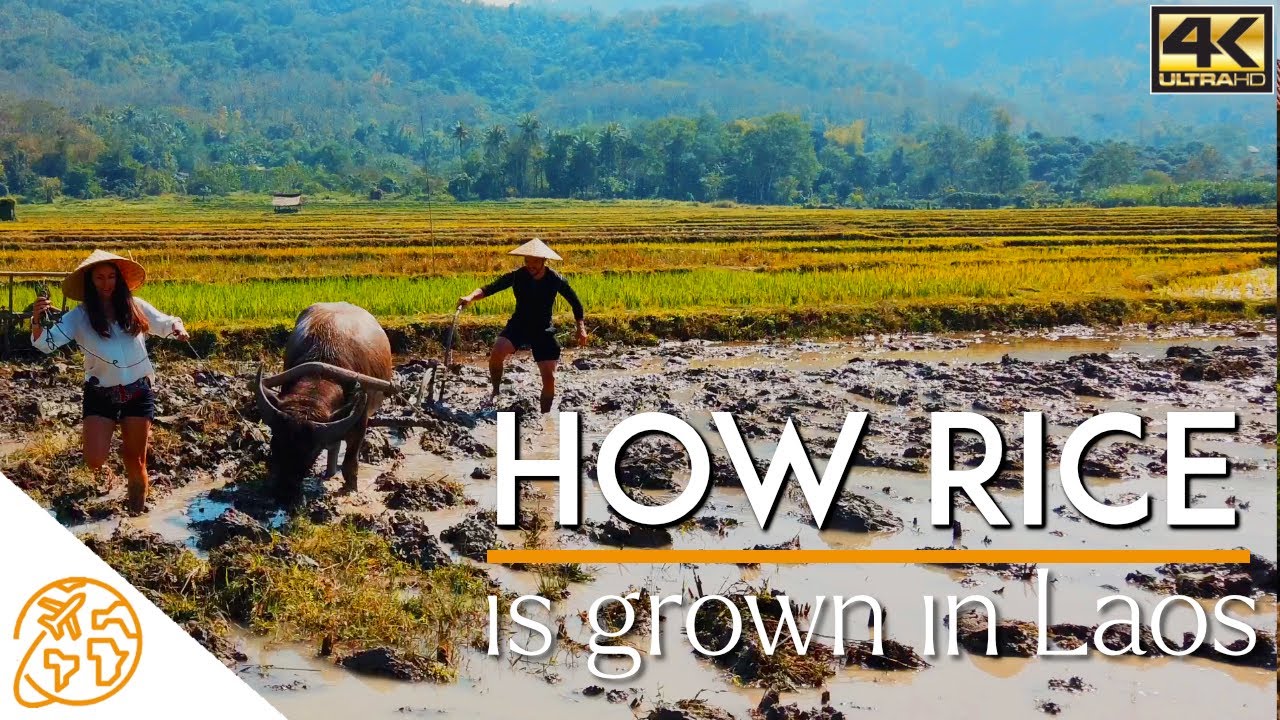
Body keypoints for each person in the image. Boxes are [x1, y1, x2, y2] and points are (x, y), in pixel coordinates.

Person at [31, 250, 189, 515]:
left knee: (135, 461)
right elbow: (45, 344)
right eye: (100, 278)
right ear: (91, 282)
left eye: (111, 277)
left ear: (119, 279)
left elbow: (165, 322)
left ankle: (137, 516)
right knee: (94, 459)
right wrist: (37, 319)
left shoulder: (135, 306)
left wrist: (177, 328)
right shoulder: (79, 316)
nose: (106, 283)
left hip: (138, 391)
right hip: (100, 393)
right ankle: (110, 475)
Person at [458, 238, 586, 414]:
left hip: (543, 329)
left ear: (543, 261)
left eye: (535, 262)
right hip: (519, 324)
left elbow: (576, 303)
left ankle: (545, 416)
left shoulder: (555, 279)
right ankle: (496, 390)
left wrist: (581, 328)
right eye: (527, 261)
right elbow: (489, 288)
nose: (530, 265)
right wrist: (470, 297)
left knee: (550, 379)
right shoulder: (518, 275)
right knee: (497, 353)